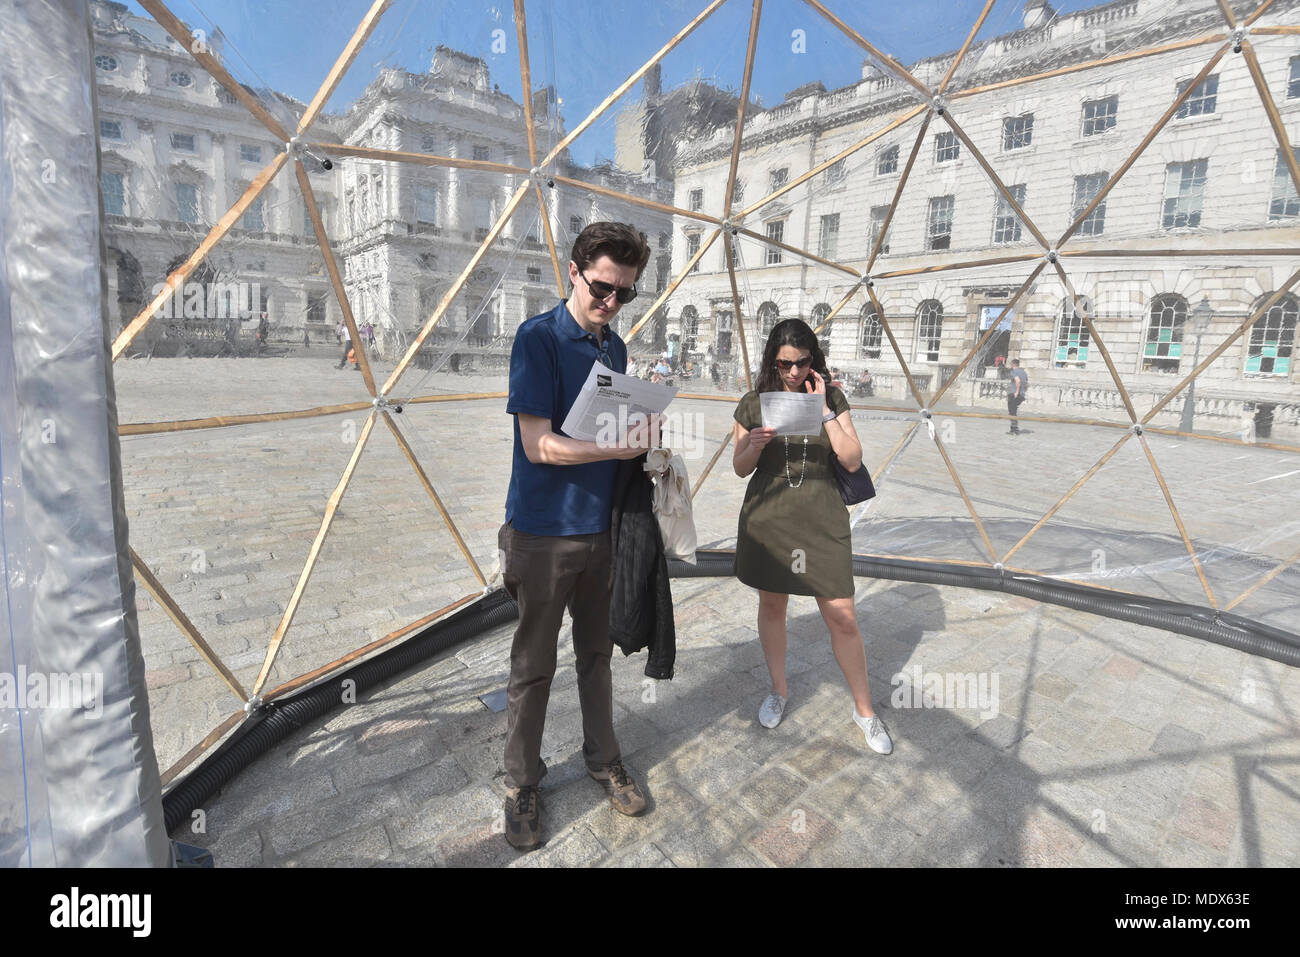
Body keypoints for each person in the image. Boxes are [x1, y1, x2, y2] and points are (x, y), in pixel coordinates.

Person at [498, 221, 656, 851]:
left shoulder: (612, 349)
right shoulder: (537, 339)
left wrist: (641, 443)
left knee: (596, 653)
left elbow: (606, 438)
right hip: (542, 532)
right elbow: (539, 446)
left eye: (625, 294)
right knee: (533, 665)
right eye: (602, 288)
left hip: (601, 530)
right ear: (573, 270)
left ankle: (602, 757)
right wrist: (613, 445)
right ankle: (521, 782)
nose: (611, 303)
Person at [731, 318, 892, 755]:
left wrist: (824, 411)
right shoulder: (752, 403)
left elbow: (853, 460)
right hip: (770, 518)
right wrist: (756, 444)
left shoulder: (832, 397)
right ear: (773, 361)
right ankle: (778, 690)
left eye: (802, 362)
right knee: (772, 603)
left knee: (842, 614)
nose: (794, 372)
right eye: (785, 364)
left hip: (822, 519)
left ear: (813, 360)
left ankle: (865, 711)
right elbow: (740, 467)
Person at [1007, 357, 1028, 435]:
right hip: (1021, 395)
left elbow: (1018, 381)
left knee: (1012, 412)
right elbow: (1026, 384)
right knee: (1013, 411)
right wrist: (1023, 392)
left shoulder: (1014, 372)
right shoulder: (1024, 372)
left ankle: (1014, 429)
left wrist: (1017, 392)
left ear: (1013, 364)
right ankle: (1014, 429)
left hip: (1014, 395)